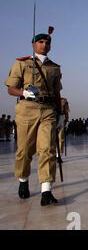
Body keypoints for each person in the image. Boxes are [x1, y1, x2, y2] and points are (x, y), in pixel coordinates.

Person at [4, 27, 63, 206]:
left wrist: (60, 114)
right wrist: (23, 92)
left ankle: (46, 191)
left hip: (47, 110)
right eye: (40, 42)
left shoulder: (54, 67)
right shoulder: (21, 63)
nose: (44, 45)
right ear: (33, 44)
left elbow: (57, 93)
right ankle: (23, 180)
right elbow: (10, 89)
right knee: (25, 151)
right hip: (27, 109)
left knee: (47, 149)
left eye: (47, 42)